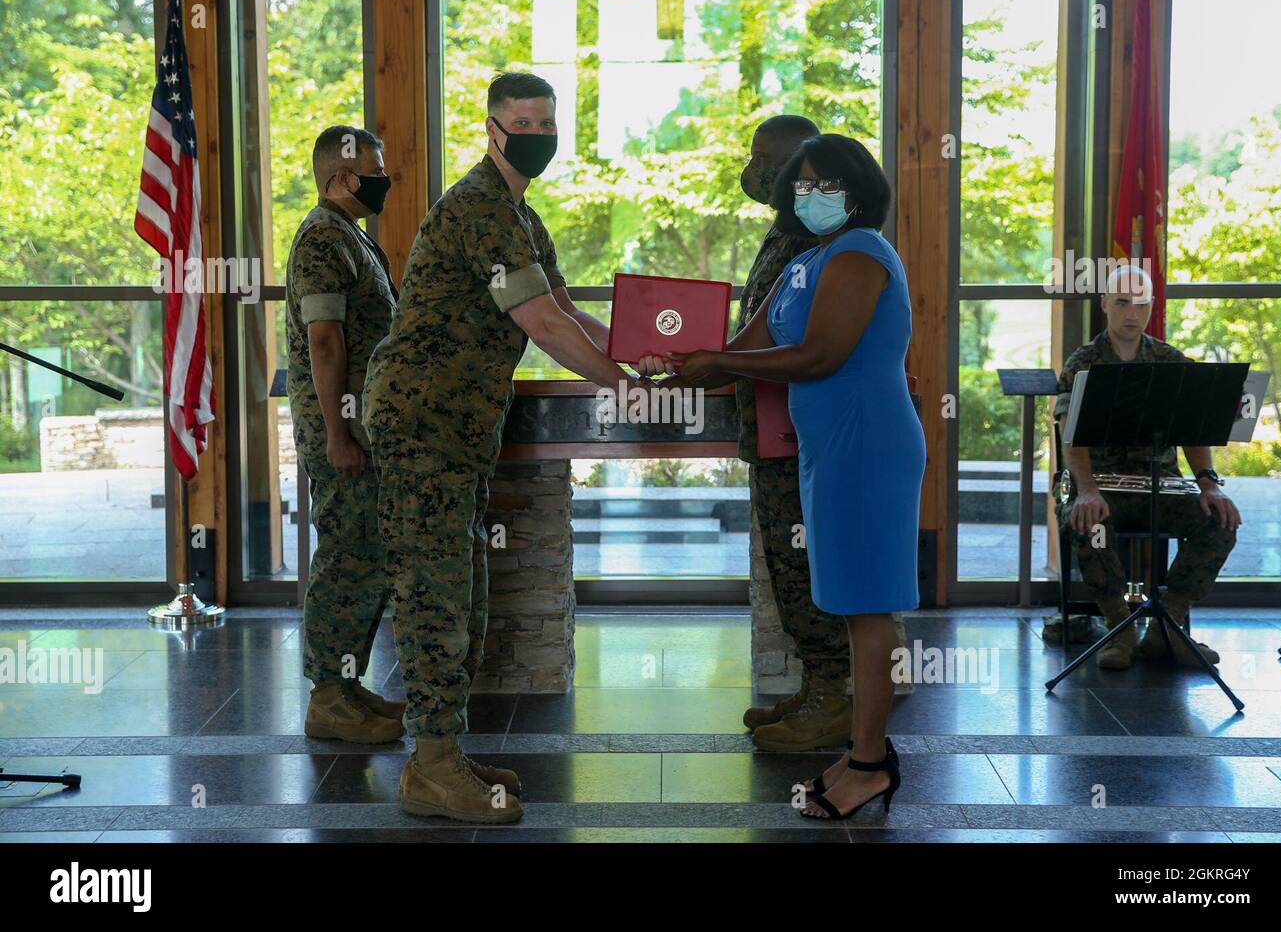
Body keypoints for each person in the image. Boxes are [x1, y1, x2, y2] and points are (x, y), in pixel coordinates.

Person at [362, 73, 643, 824]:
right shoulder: (482, 207)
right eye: (523, 121)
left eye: (547, 121)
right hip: (422, 425)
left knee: (464, 589)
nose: (538, 134)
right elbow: (544, 328)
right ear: (492, 129)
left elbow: (564, 309)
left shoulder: (520, 214)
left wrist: (636, 359)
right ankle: (430, 766)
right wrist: (620, 383)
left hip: (455, 430)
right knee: (435, 594)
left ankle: (446, 750)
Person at [666, 134, 924, 820]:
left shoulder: (861, 253)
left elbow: (818, 355)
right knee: (847, 602)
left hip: (869, 444)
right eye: (802, 187)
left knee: (869, 610)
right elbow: (745, 348)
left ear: (859, 191)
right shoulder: (803, 264)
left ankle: (869, 765)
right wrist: (680, 360)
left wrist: (721, 361)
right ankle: (865, 749)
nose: (812, 198)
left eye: (828, 185)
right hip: (824, 449)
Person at [1052, 264, 1240, 669]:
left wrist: (1208, 483)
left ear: (1152, 306)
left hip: (1161, 487)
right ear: (1105, 304)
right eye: (1121, 302)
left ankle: (1167, 625)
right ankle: (1120, 627)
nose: (1131, 312)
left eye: (1140, 303)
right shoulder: (1083, 362)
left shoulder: (1170, 361)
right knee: (1090, 525)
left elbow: (1195, 431)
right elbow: (1072, 436)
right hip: (1100, 486)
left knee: (1220, 521)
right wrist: (1085, 490)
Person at [286, 125, 405, 745]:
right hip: (343, 433)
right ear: (341, 177)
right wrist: (337, 433)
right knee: (347, 559)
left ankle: (348, 684)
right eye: (375, 170)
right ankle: (328, 696)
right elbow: (324, 340)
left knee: (367, 556)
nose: (386, 179)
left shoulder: (348, 236)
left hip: (363, 428)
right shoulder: (322, 240)